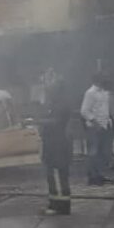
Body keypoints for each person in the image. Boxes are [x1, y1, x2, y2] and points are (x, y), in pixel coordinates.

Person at [40, 77, 74, 215]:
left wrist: (40, 121)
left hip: (57, 145)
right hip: (52, 144)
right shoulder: (55, 103)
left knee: (58, 175)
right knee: (53, 175)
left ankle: (61, 206)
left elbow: (56, 122)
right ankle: (55, 204)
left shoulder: (61, 105)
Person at [81, 74, 113, 186]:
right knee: (93, 152)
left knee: (102, 153)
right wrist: (95, 122)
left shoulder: (105, 92)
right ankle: (92, 176)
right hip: (94, 127)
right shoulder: (90, 93)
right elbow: (84, 111)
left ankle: (99, 174)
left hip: (104, 125)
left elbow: (105, 109)